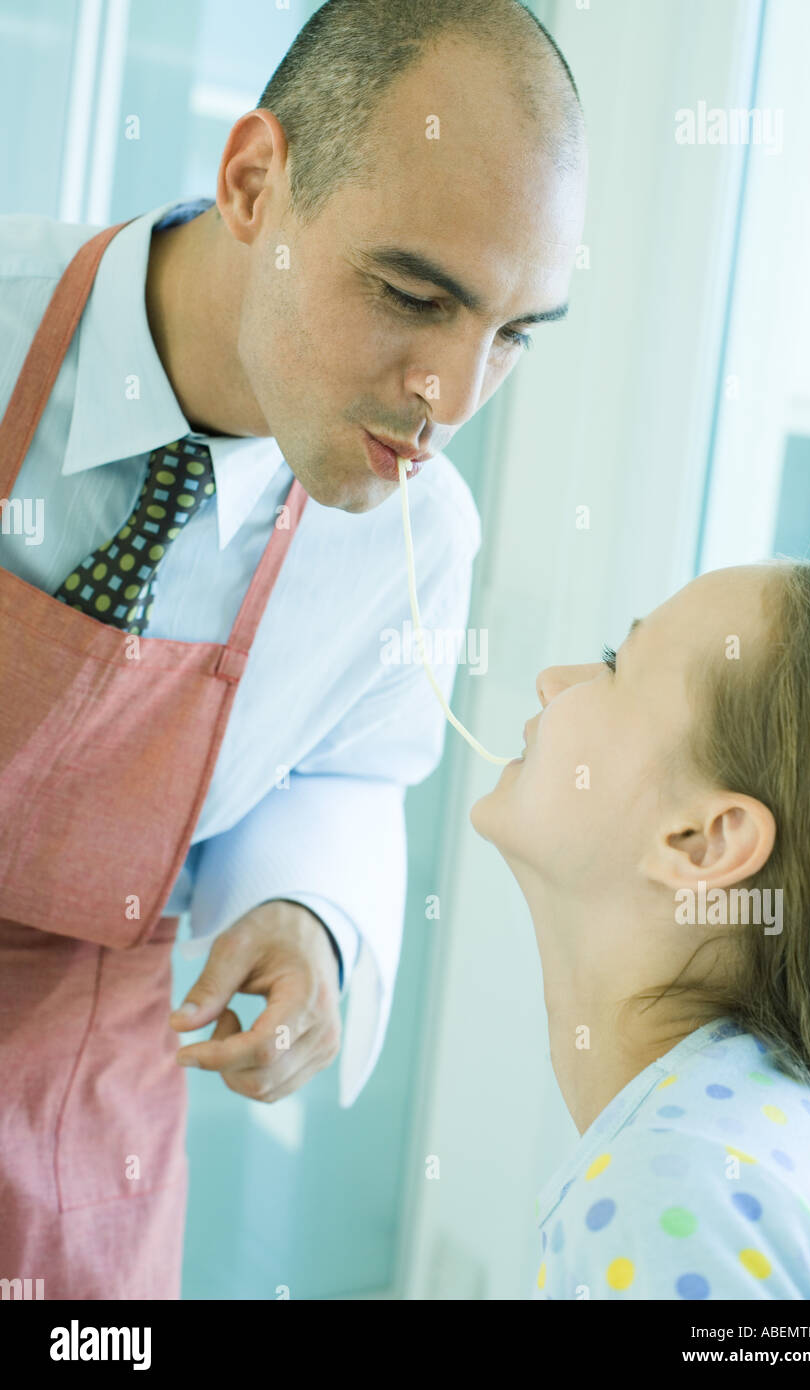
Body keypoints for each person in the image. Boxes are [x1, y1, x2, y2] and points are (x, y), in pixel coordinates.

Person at [0, 0, 586, 1299]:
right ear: (254, 180)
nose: (452, 392)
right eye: (412, 294)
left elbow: (342, 773)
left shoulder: (415, 533)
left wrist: (309, 920)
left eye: (511, 334)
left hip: (73, 1145)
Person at [471, 559, 810, 1300]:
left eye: (616, 667)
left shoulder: (666, 1188)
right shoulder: (747, 1136)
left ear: (702, 843)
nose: (552, 679)